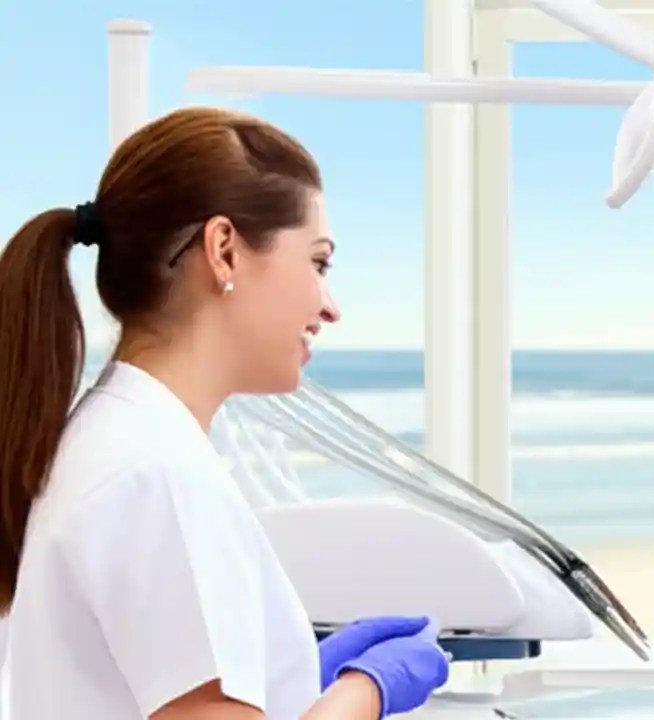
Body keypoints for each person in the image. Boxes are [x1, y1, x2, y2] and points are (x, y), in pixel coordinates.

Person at [0, 107, 450, 719]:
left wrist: (291, 683)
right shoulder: (156, 473)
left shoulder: (121, 441)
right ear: (224, 251)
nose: (330, 306)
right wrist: (364, 691)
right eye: (318, 263)